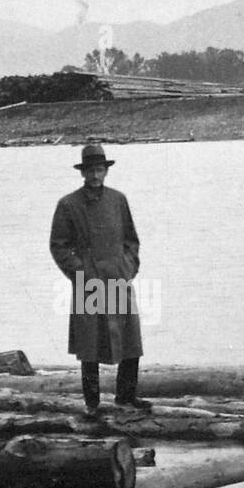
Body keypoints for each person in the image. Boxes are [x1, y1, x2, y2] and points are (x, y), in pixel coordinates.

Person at [49, 142, 151, 415]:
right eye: (90, 171)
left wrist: (128, 266)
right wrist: (80, 272)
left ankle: (126, 397)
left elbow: (132, 240)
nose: (95, 176)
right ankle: (92, 404)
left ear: (105, 171)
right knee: (90, 343)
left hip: (119, 278)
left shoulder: (119, 200)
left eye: (99, 170)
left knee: (130, 339)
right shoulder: (68, 205)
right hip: (89, 282)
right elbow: (58, 246)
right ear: (82, 173)